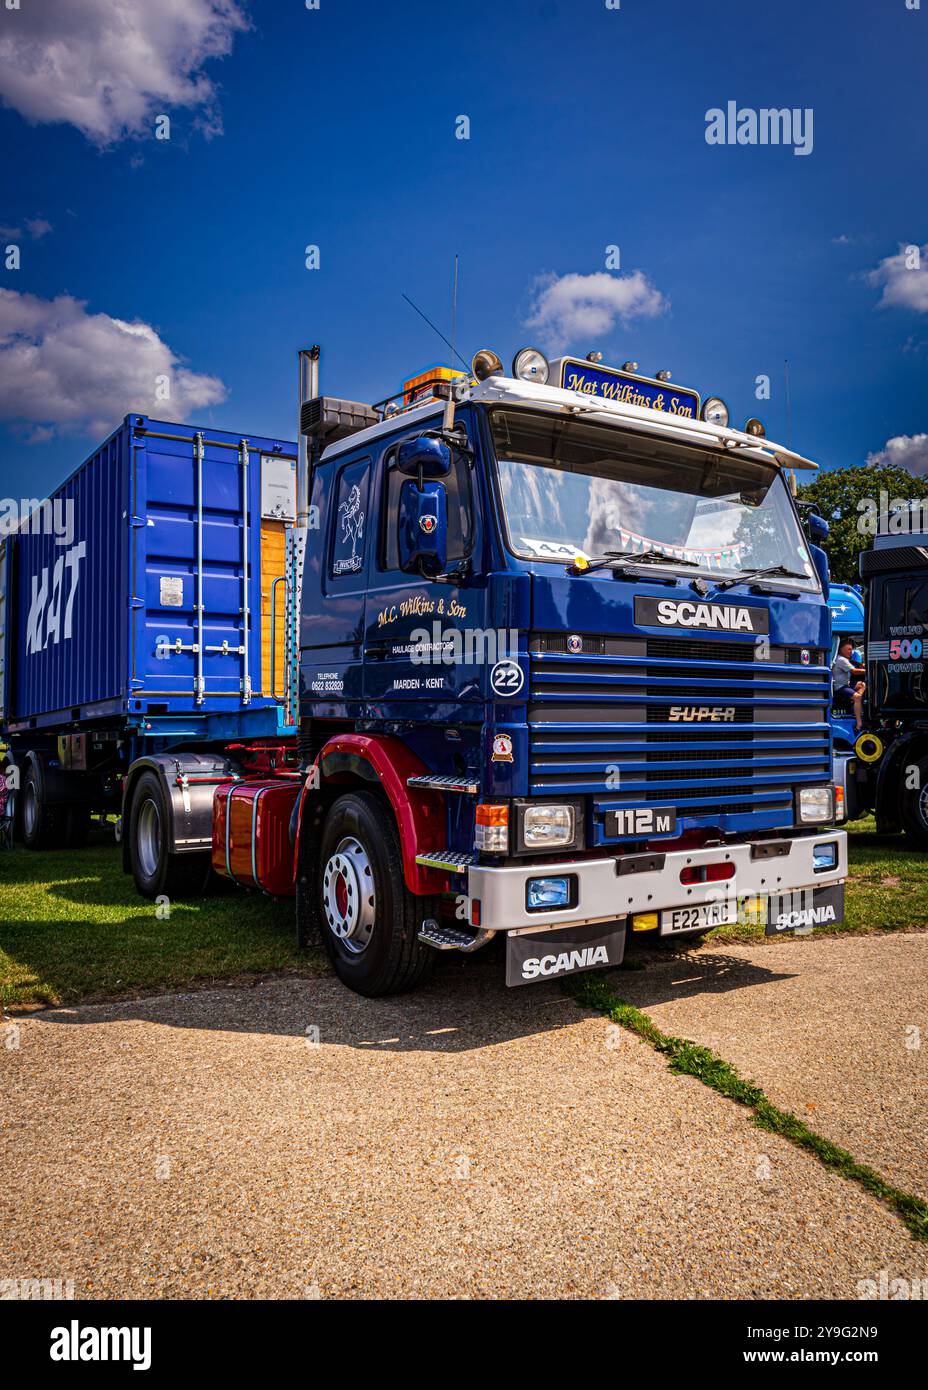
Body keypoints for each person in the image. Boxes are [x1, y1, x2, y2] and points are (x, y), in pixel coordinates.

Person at [831, 638, 865, 730]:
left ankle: (854, 703)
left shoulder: (843, 659)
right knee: (858, 697)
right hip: (840, 687)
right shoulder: (841, 659)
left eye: (851, 649)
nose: (851, 652)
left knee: (862, 685)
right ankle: (859, 723)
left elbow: (855, 666)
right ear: (841, 650)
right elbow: (854, 671)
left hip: (846, 685)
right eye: (849, 649)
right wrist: (868, 670)